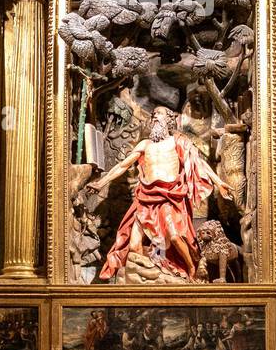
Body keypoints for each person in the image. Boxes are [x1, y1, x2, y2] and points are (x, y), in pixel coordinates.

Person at [89, 106, 233, 281]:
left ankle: (190, 268)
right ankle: (160, 262)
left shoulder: (178, 141)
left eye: (159, 113)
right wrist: (101, 183)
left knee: (174, 236)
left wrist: (219, 182)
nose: (155, 116)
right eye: (153, 114)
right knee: (134, 247)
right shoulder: (144, 144)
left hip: (169, 197)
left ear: (169, 120)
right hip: (145, 200)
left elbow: (199, 164)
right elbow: (122, 166)